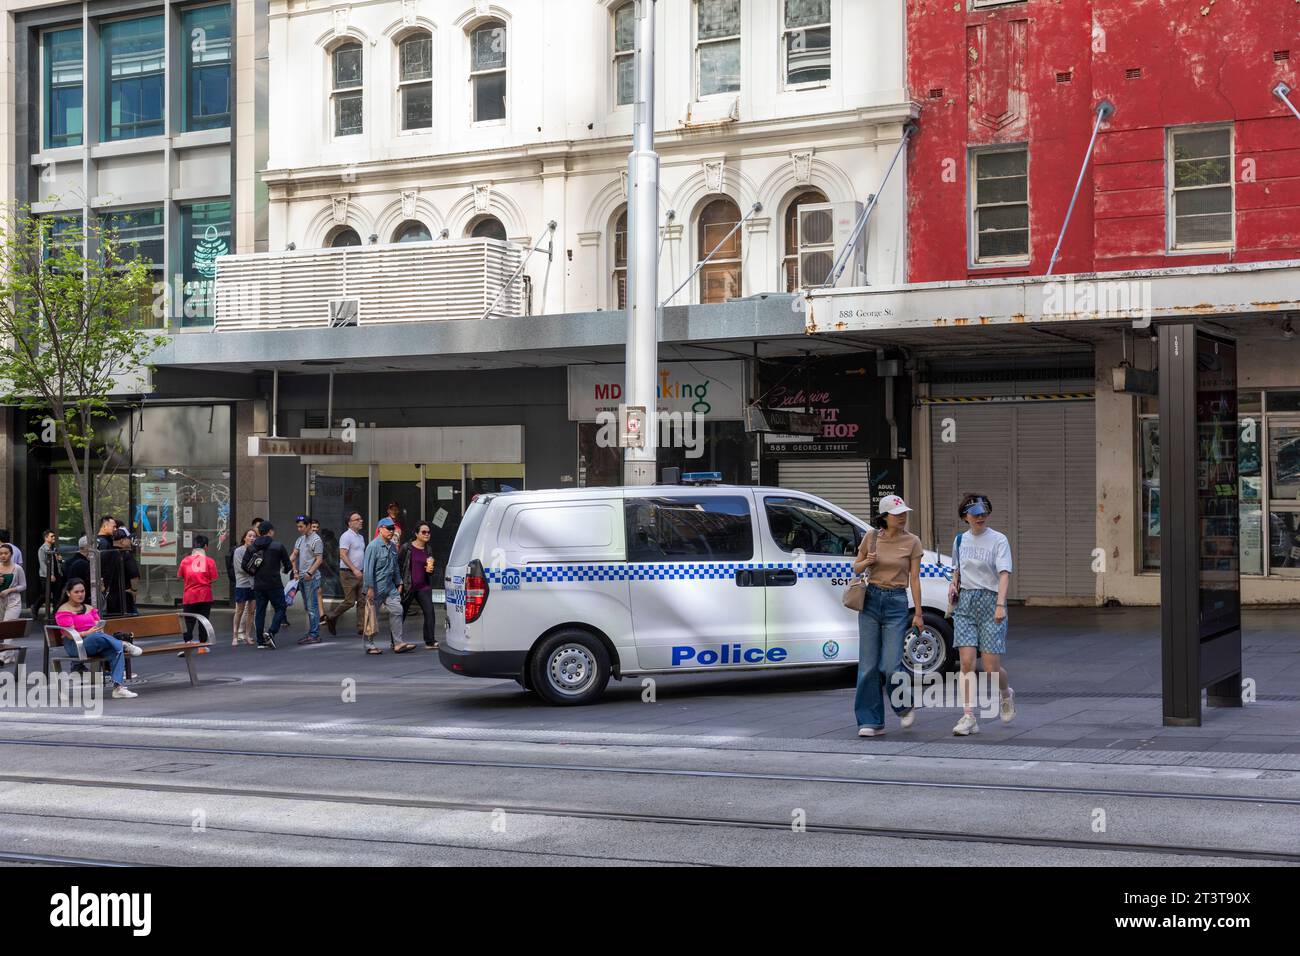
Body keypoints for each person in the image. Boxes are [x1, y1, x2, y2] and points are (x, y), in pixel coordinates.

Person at [851, 494, 924, 737]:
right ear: (884, 517)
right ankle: (869, 721)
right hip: (870, 600)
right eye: (897, 514)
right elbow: (856, 567)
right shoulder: (871, 537)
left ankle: (903, 706)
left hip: (896, 602)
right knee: (868, 667)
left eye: (904, 513)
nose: (902, 517)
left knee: (891, 666)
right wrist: (867, 561)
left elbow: (914, 578)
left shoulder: (913, 542)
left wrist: (919, 613)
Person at [949, 493, 1015, 736]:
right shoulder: (959, 541)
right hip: (966, 603)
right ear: (965, 516)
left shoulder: (998, 540)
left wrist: (1000, 604)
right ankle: (968, 717)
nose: (980, 517)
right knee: (966, 662)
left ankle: (1005, 693)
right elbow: (957, 569)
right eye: (975, 513)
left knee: (991, 667)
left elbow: (1005, 573)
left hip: (990, 601)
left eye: (983, 512)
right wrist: (953, 584)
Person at [54, 578, 143, 699]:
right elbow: (70, 634)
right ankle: (122, 643)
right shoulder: (63, 610)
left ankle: (118, 688)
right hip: (76, 644)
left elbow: (98, 624)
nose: (80, 594)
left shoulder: (89, 608)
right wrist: (88, 632)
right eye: (76, 592)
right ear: (68, 593)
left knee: (115, 650)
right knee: (97, 636)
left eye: (82, 591)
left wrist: (99, 629)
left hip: (96, 641)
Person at [363, 518, 415, 655]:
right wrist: (369, 588)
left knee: (397, 609)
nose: (391, 531)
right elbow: (368, 569)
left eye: (393, 529)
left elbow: (395, 567)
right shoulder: (373, 547)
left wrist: (399, 582)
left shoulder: (392, 546)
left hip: (390, 586)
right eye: (388, 528)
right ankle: (369, 644)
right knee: (372, 615)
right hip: (375, 587)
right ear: (380, 529)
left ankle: (398, 643)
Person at [247, 521, 292, 649]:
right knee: (281, 608)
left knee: (260, 611)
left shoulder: (252, 546)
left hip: (259, 584)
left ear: (259, 532)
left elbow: (245, 565)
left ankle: (260, 641)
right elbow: (287, 565)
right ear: (270, 531)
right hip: (274, 583)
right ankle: (271, 632)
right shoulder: (278, 546)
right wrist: (284, 570)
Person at [325, 512, 366, 637]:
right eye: (357, 519)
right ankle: (331, 616)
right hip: (348, 573)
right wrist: (354, 569)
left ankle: (361, 627)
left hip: (360, 572)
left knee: (362, 601)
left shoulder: (360, 537)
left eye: (361, 518)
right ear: (350, 523)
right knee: (349, 601)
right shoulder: (346, 536)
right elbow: (342, 554)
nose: (361, 521)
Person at [399, 521, 439, 649]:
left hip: (423, 587)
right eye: (423, 532)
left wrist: (430, 570)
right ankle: (395, 641)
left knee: (429, 612)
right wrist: (399, 584)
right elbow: (399, 566)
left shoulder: (428, 549)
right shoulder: (407, 548)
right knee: (401, 614)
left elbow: (430, 567)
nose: (427, 534)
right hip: (408, 586)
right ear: (416, 533)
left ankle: (430, 641)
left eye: (428, 532)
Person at [177, 534, 217, 654]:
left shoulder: (185, 561)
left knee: (188, 621)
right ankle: (202, 645)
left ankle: (188, 643)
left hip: (189, 595)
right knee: (203, 620)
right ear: (205, 547)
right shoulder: (209, 561)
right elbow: (214, 578)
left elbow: (179, 576)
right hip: (205, 595)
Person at [290, 515, 324, 645]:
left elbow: (319, 559)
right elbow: (294, 555)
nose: (299, 529)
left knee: (312, 606)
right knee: (308, 606)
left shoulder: (316, 540)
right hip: (302, 577)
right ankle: (312, 632)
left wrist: (310, 572)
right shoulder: (300, 539)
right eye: (298, 526)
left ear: (309, 525)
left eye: (301, 526)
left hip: (311, 578)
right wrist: (294, 570)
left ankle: (314, 634)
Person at [230, 528, 258, 646]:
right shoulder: (239, 551)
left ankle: (247, 635)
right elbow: (240, 568)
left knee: (251, 611)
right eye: (250, 536)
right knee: (239, 611)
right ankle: (235, 636)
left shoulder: (256, 551)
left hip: (253, 585)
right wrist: (253, 570)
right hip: (242, 584)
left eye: (254, 536)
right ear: (244, 538)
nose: (252, 538)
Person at [106, 530, 140, 616]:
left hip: (110, 596)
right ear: (122, 540)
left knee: (113, 621)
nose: (130, 541)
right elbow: (134, 576)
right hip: (125, 596)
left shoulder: (105, 554)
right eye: (128, 539)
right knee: (130, 622)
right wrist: (134, 590)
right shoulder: (125, 554)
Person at [35, 530, 63, 620]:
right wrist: (49, 575)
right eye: (52, 536)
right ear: (46, 538)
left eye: (54, 536)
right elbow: (42, 564)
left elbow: (57, 562)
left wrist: (60, 560)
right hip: (46, 576)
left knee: (57, 595)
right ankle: (35, 608)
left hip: (56, 574)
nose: (54, 538)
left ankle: (55, 613)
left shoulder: (54, 549)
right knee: (45, 594)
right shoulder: (42, 549)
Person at [0, 544, 27, 621]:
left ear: (11, 554)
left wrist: (9, 590)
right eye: (1, 554)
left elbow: (23, 585)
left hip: (13, 601)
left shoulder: (18, 568)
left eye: (6, 553)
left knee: (8, 625)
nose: (3, 556)